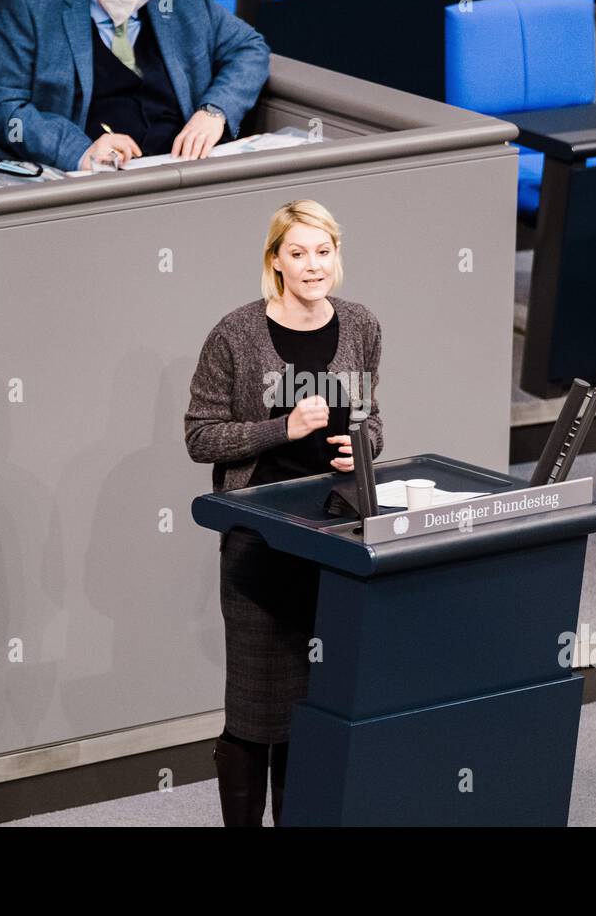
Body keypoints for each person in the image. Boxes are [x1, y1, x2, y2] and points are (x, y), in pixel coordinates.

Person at [184, 199, 383, 826]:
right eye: (298, 253)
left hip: (335, 534)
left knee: (311, 709)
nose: (313, 265)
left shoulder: (361, 327)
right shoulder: (235, 335)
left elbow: (373, 417)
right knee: (253, 713)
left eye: (324, 251)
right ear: (275, 261)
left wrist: (366, 444)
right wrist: (281, 428)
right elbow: (200, 438)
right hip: (259, 540)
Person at [0, 0, 270, 182]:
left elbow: (249, 48)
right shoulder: (29, 1)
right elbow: (2, 106)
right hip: (77, 181)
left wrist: (214, 111)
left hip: (171, 173)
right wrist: (80, 151)